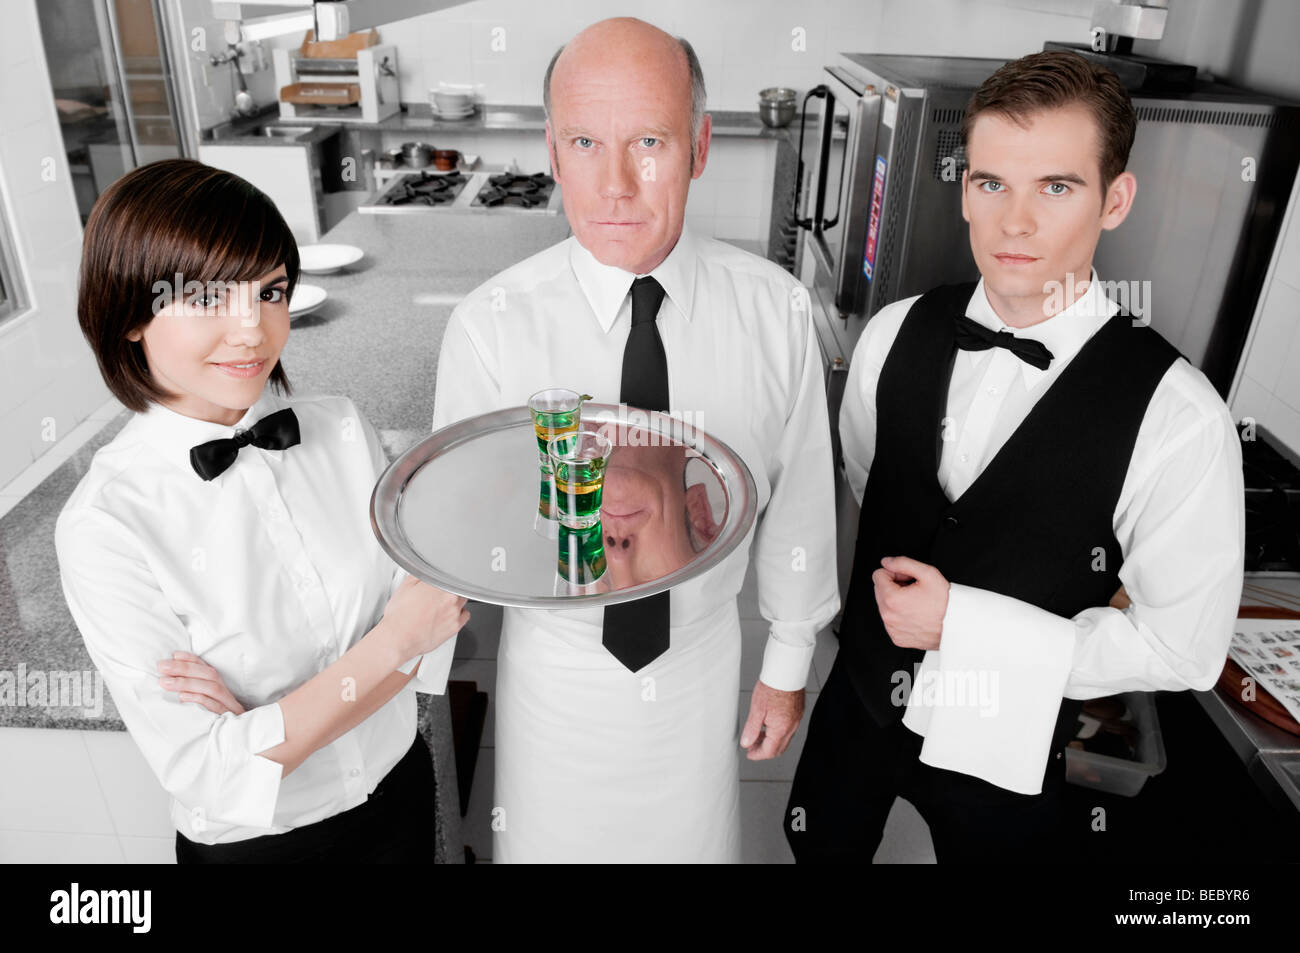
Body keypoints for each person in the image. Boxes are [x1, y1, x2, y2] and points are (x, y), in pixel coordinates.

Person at [785, 50, 1246, 863]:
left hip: (1010, 741)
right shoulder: (892, 333)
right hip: (857, 703)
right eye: (992, 183)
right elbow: (871, 475)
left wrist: (965, 623)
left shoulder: (1181, 418)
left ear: (1116, 200)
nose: (1014, 223)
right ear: (965, 188)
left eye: (1056, 188)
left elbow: (1186, 649)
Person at [432, 17, 840, 862]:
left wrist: (789, 659)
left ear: (698, 145)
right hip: (557, 671)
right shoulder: (488, 328)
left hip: (698, 662)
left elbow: (800, 499)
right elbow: (460, 531)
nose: (615, 182)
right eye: (585, 141)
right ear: (551, 150)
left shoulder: (777, 312)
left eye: (648, 141)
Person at [56, 159, 469, 863]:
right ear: (129, 313)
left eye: (269, 290)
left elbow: (432, 619)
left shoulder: (341, 428)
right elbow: (213, 773)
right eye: (209, 298)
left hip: (400, 787)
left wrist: (270, 721)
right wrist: (388, 642)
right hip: (261, 849)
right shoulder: (106, 525)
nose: (251, 330)